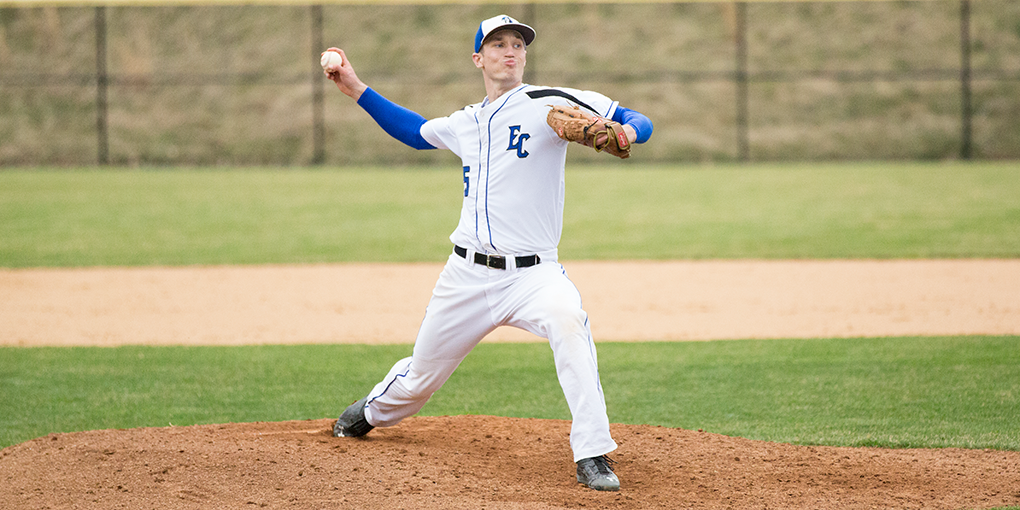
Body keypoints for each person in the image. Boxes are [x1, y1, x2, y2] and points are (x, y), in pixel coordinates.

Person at [323, 14, 653, 492]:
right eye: (497, 44)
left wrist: (627, 133)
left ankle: (592, 453)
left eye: (518, 43)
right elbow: (415, 132)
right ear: (479, 58)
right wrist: (355, 88)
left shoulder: (549, 102)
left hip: (533, 275)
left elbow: (634, 118)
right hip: (466, 275)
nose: (510, 51)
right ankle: (370, 412)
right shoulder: (467, 121)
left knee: (569, 323)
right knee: (418, 380)